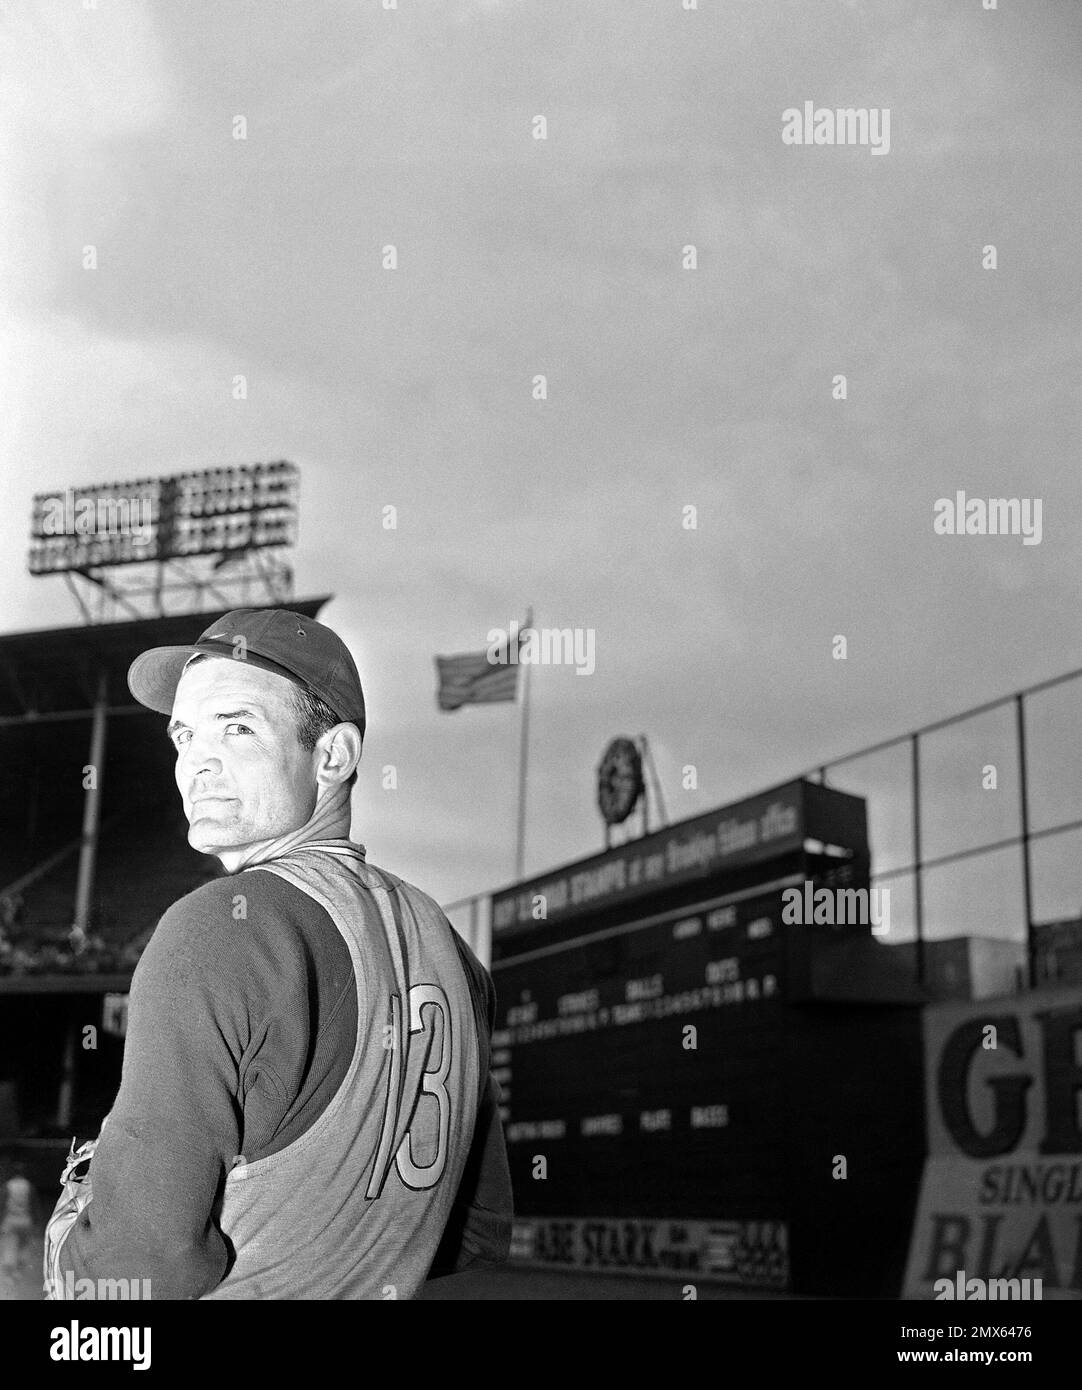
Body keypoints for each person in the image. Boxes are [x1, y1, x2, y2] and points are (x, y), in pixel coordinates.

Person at [43, 608, 512, 1299]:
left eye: (236, 727)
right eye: (185, 733)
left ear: (332, 756)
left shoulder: (218, 931)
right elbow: (478, 1231)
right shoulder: (452, 950)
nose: (196, 759)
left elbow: (138, 1272)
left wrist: (66, 1255)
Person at [1, 1165, 35, 1285]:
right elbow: (34, 1204)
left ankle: (10, 1274)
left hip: (11, 1219)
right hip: (26, 1219)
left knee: (9, 1246)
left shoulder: (8, 1185)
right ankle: (18, 1272)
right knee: (23, 1247)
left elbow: (2, 1203)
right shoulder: (29, 1185)